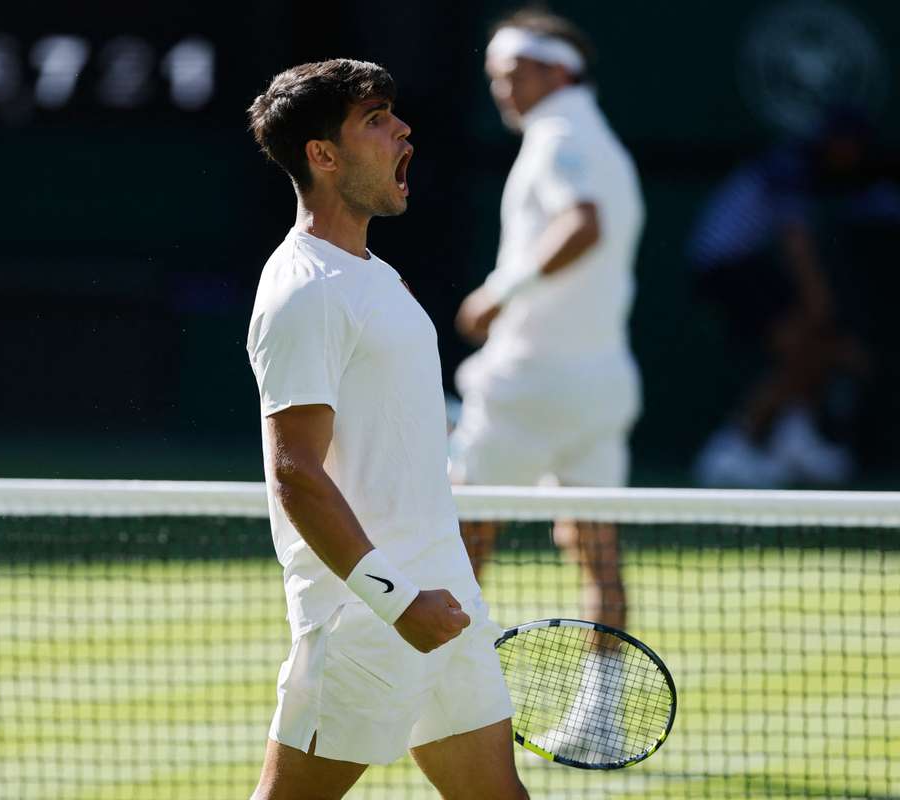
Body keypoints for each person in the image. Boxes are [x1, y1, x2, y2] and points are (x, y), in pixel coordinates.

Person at [245, 59, 528, 800]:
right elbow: (296, 472)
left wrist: (430, 594)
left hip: (446, 601)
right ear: (323, 154)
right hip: (368, 621)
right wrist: (397, 598)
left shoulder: (376, 276)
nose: (402, 129)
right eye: (374, 118)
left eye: (393, 113)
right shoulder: (303, 291)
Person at [448, 9, 644, 749]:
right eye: (495, 72)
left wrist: (500, 293)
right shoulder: (602, 143)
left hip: (528, 383)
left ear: (557, 70)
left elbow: (582, 224)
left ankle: (443, 701)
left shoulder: (559, 139)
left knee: (460, 540)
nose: (500, 85)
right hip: (601, 385)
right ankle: (602, 717)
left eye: (514, 71)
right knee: (594, 546)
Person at [688, 110, 878, 488]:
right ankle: (730, 447)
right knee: (805, 349)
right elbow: (796, 242)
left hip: (748, 265)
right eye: (850, 145)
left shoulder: (812, 170)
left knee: (812, 349)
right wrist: (818, 300)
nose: (855, 154)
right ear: (837, 143)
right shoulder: (792, 167)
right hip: (728, 266)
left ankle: (796, 438)